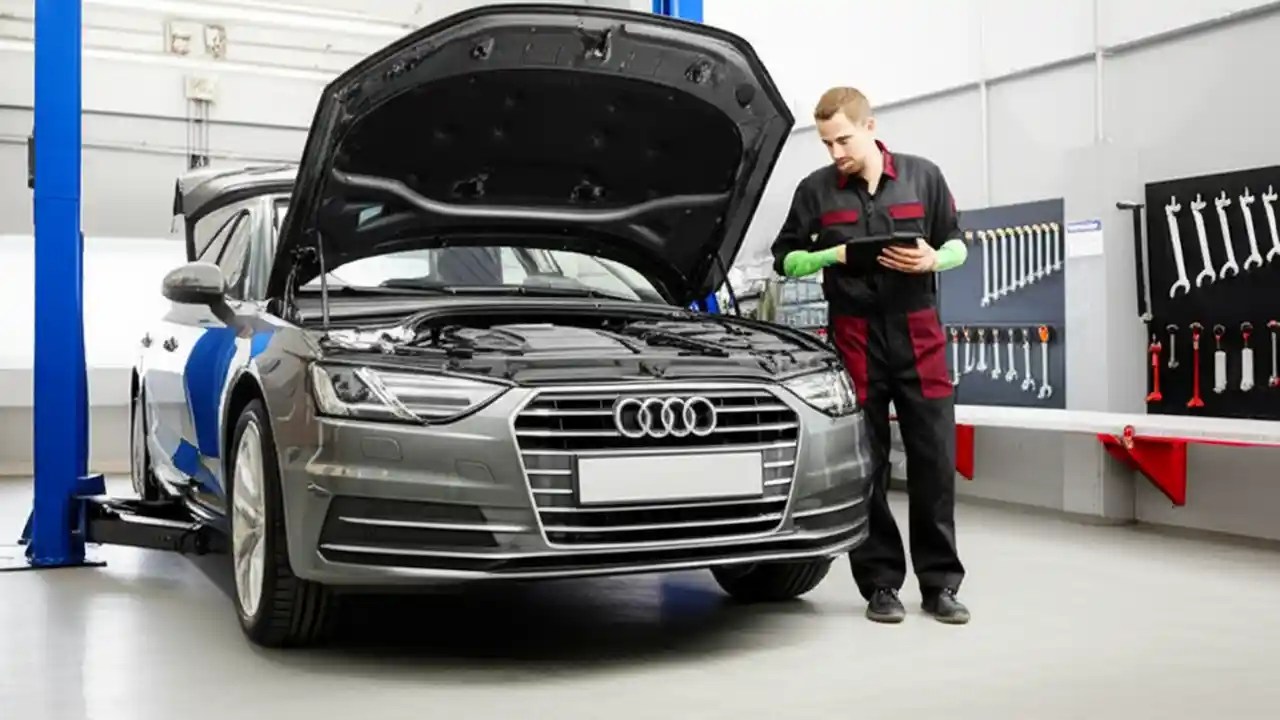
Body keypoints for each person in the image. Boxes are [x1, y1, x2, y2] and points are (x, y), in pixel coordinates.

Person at [770, 87, 970, 625]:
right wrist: (831, 254)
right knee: (867, 464)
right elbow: (785, 259)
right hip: (854, 335)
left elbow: (958, 243)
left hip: (919, 335)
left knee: (935, 460)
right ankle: (881, 584)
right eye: (827, 144)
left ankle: (941, 585)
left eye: (843, 140)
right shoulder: (815, 191)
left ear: (870, 127)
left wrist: (933, 259)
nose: (835, 152)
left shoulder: (923, 176)